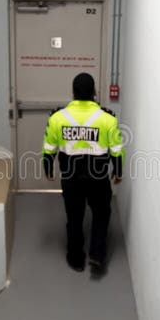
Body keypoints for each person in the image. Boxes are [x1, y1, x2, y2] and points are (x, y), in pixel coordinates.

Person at [42, 73, 124, 276]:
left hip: (71, 177)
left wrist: (48, 168)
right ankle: (97, 255)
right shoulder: (107, 118)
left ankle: (75, 258)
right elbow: (116, 150)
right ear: (94, 92)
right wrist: (118, 171)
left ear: (73, 92)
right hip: (98, 177)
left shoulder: (57, 118)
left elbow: (49, 147)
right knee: (101, 215)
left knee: (74, 216)